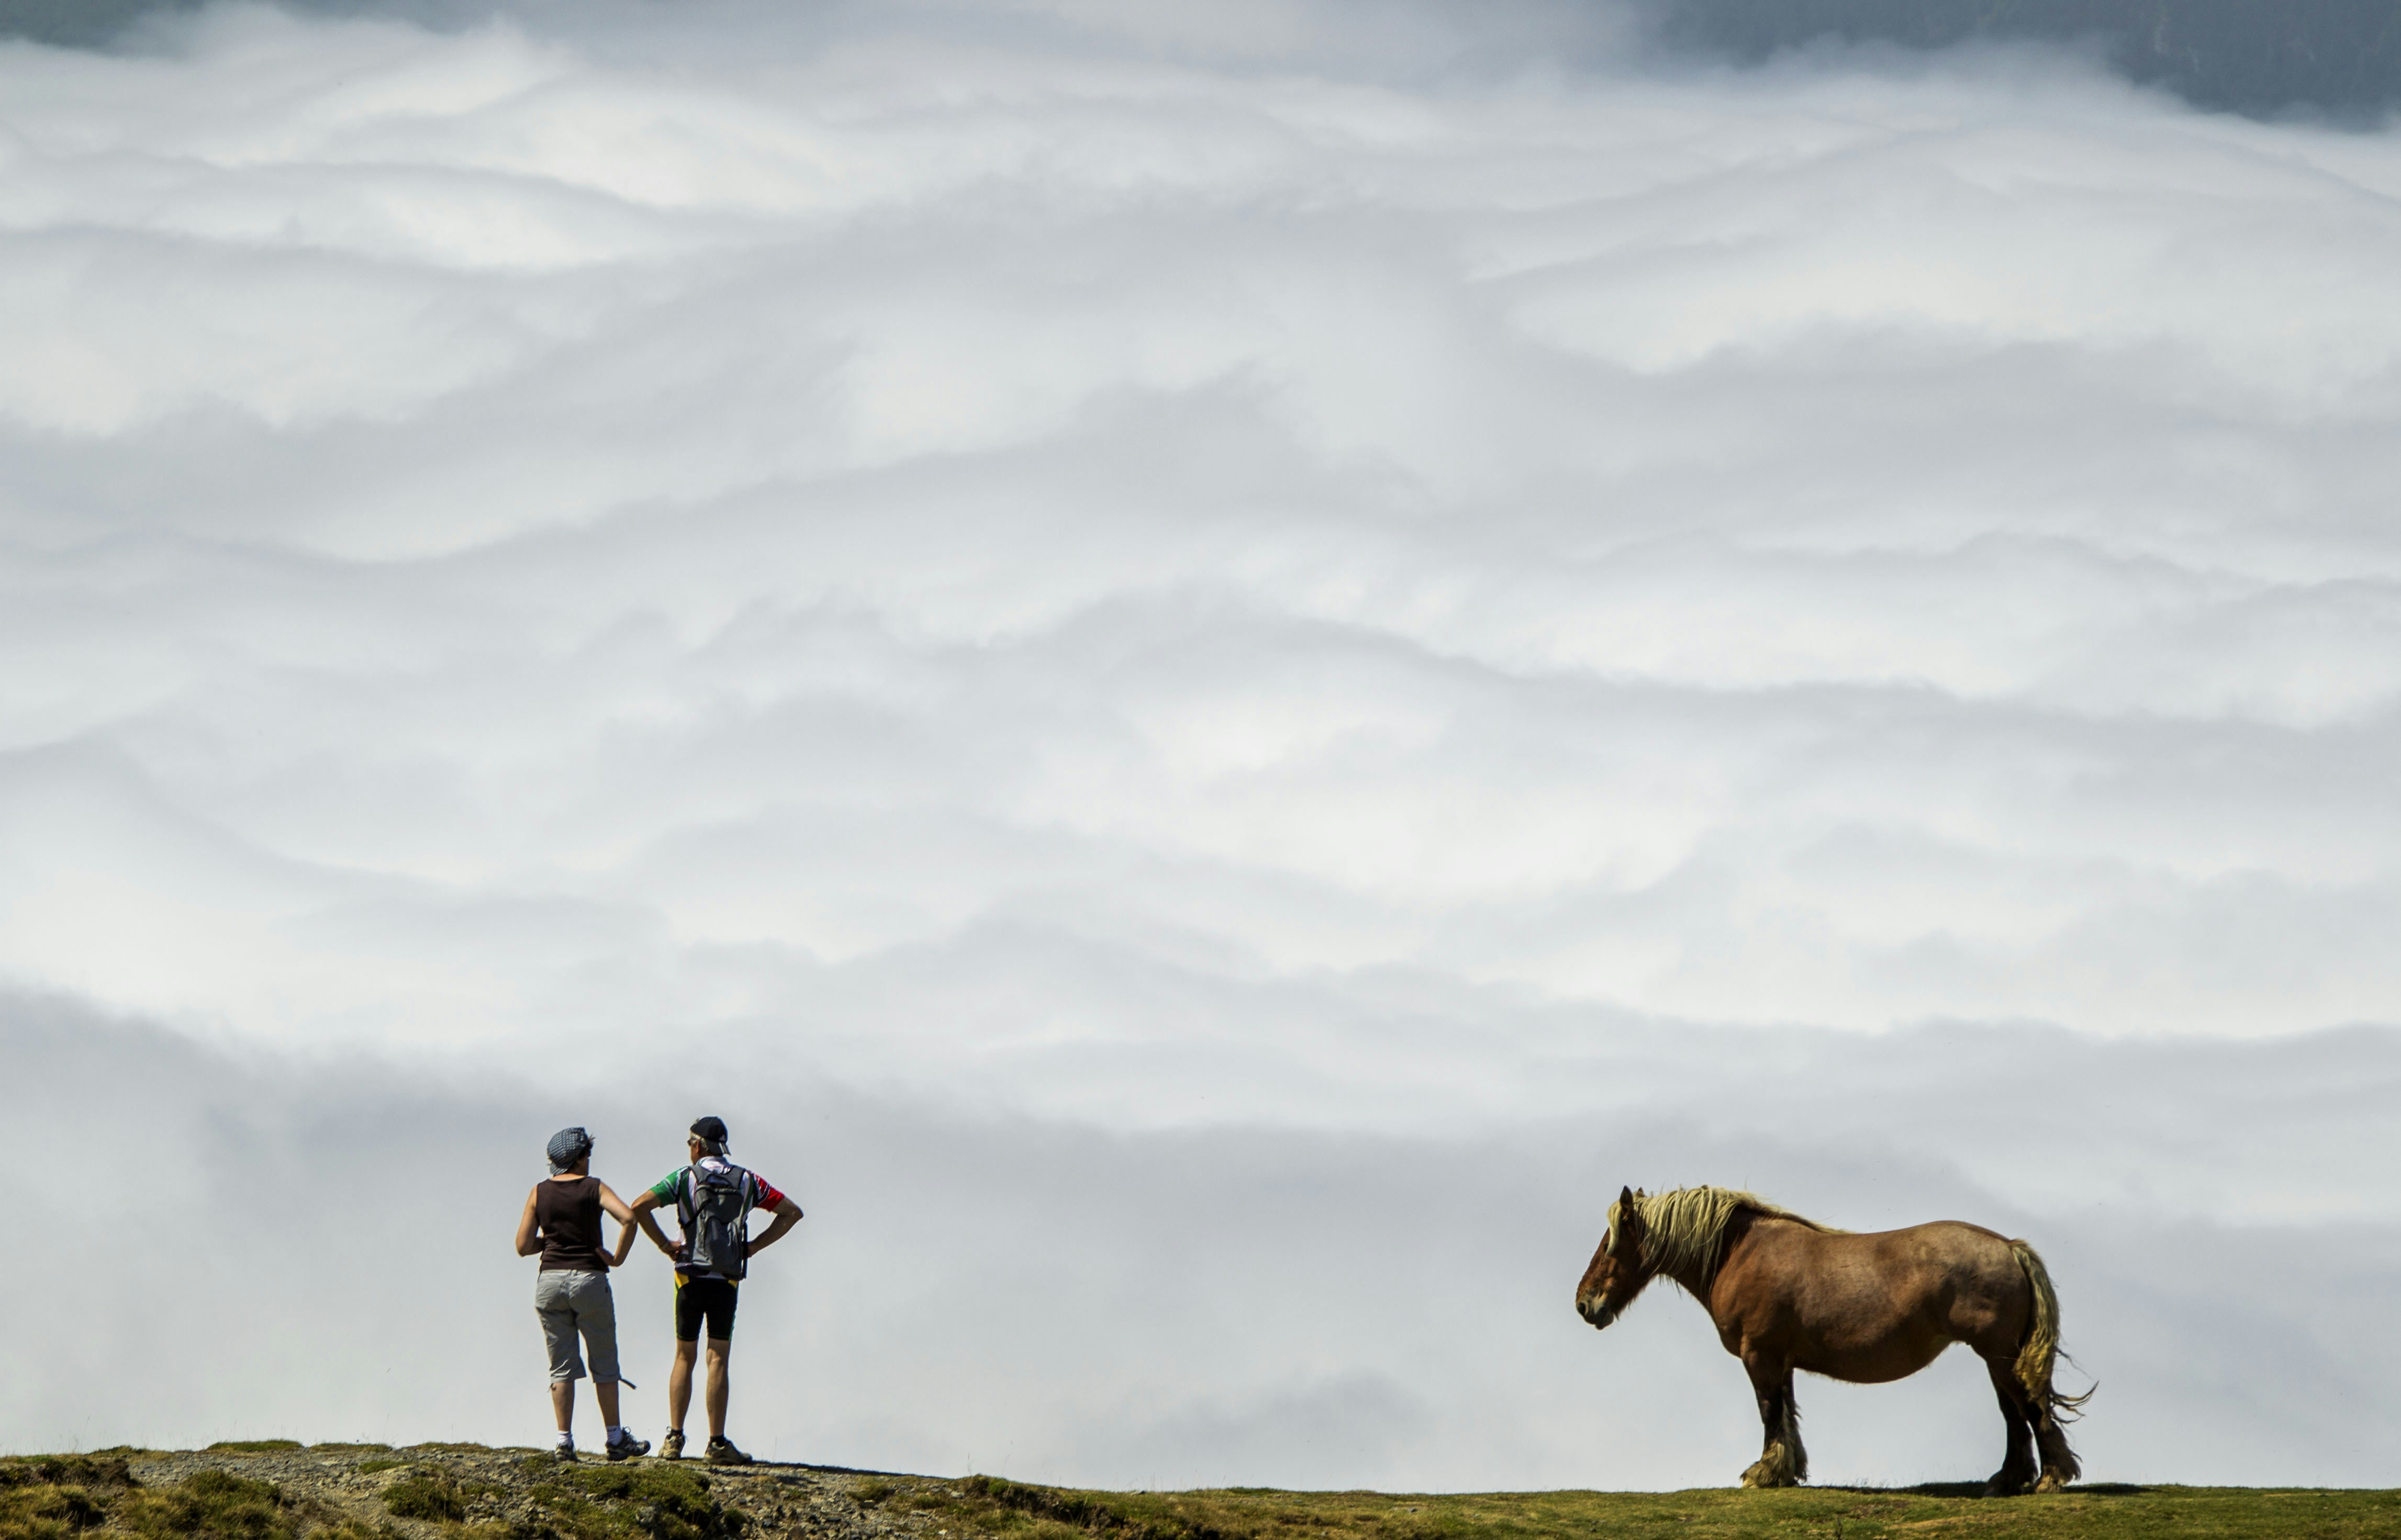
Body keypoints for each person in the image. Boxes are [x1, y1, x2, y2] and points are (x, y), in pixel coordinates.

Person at [628, 1116, 803, 1464]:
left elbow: (638, 1206)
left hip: (689, 1275)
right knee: (718, 1357)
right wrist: (752, 1247)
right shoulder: (748, 1179)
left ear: (697, 1145)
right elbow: (791, 1212)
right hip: (727, 1276)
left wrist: (665, 1244)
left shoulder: (683, 1177)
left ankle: (674, 1439)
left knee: (684, 1356)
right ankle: (717, 1443)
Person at [513, 1127, 651, 1463]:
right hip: (589, 1278)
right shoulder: (593, 1187)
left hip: (549, 1281)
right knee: (604, 1361)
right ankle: (616, 1439)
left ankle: (564, 1442)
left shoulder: (538, 1192)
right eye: (586, 1154)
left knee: (561, 1365)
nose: (589, 1159)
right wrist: (616, 1258)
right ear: (577, 1158)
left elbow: (522, 1246)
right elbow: (629, 1218)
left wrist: (549, 1242)